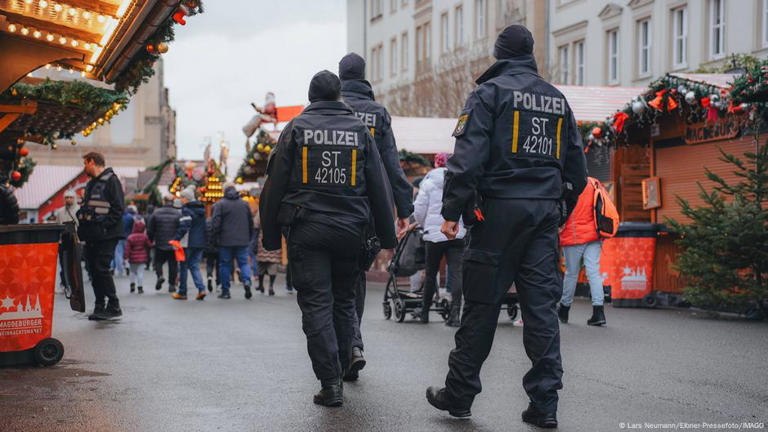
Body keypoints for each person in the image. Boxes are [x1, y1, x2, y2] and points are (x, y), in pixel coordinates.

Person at [424, 25, 588, 429]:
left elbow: (466, 161)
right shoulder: (556, 99)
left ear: (498, 54)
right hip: (542, 217)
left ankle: (459, 396)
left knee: (480, 306)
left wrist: (452, 211)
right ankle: (544, 405)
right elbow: (578, 172)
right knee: (541, 311)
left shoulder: (488, 94)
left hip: (496, 215)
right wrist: (556, 207)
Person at [259, 70, 396, 407]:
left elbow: (274, 186)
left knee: (317, 305)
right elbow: (378, 185)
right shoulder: (360, 131)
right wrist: (386, 235)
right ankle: (350, 352)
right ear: (338, 96)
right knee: (345, 299)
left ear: (310, 98)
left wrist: (271, 236)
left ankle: (330, 383)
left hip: (308, 230)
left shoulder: (296, 130)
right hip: (351, 230)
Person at [339, 52, 414, 381]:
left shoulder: (327, 109)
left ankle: (346, 345)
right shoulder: (377, 114)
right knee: (353, 278)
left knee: (331, 282)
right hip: (366, 212)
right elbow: (391, 165)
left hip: (327, 209)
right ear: (364, 76)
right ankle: (351, 346)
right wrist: (404, 210)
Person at [413, 152, 466, 327]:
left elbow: (419, 209)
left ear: (436, 164)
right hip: (457, 233)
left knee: (431, 273)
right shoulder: (460, 182)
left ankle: (424, 312)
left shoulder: (428, 183)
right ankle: (455, 315)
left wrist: (423, 224)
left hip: (433, 235)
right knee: (456, 272)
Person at [76, 152, 126, 321]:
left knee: (101, 268)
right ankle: (99, 305)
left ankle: (114, 305)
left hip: (107, 234)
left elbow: (118, 208)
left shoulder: (112, 181)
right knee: (92, 269)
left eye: (85, 163)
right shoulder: (91, 184)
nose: (84, 167)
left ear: (92, 162)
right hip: (92, 235)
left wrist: (104, 227)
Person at [558, 177, 606, 326]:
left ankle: (564, 310)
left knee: (571, 273)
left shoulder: (568, 182)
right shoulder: (594, 182)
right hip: (594, 234)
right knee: (594, 273)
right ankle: (599, 312)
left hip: (574, 236)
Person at [211, 183, 254, 299]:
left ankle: (225, 291)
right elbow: (251, 222)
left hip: (225, 241)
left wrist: (215, 238)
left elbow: (216, 223)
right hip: (243, 240)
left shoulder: (221, 204)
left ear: (224, 191)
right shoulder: (244, 204)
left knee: (225, 264)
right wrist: (249, 237)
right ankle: (247, 281)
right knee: (244, 263)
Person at [173, 186, 208, 301]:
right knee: (194, 266)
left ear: (186, 198)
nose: (181, 200)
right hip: (200, 242)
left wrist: (176, 239)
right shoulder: (201, 209)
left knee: (183, 267)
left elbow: (185, 226)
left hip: (187, 243)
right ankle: (201, 289)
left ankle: (182, 292)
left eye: (182, 197)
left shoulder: (186, 209)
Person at [147, 196, 181, 292]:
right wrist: (177, 239)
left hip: (160, 242)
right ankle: (171, 285)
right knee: (173, 264)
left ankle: (160, 275)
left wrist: (151, 239)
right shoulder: (177, 213)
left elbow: (150, 228)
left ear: (163, 201)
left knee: (158, 261)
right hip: (173, 243)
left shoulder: (156, 213)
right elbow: (180, 228)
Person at [253, 213, 281, 296]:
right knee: (273, 263)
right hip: (275, 238)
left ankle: (261, 284)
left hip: (263, 238)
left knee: (261, 264)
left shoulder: (262, 210)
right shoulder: (278, 208)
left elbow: (256, 223)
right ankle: (271, 286)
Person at [125, 217, 152, 294]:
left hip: (132, 258)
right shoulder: (144, 237)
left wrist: (126, 257)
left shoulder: (130, 237)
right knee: (140, 273)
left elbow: (127, 248)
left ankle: (132, 285)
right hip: (142, 258)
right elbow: (149, 245)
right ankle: (140, 287)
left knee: (132, 272)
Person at [113, 205, 136, 277]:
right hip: (128, 237)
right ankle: (127, 266)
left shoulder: (117, 217)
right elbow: (133, 227)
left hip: (118, 237)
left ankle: (120, 270)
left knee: (118, 254)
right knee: (128, 253)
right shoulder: (130, 217)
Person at [204, 218, 219, 292]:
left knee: (209, 264)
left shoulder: (207, 222)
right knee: (219, 265)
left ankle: (209, 276)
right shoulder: (221, 221)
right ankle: (218, 283)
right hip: (219, 246)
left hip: (209, 247)